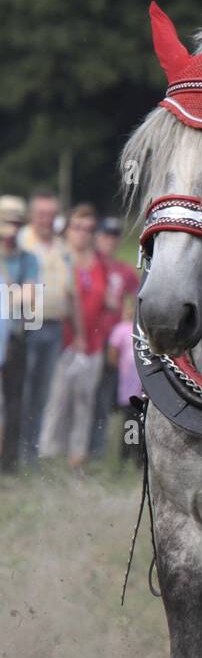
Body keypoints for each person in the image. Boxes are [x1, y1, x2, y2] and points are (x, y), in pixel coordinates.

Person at [39, 204, 108, 468]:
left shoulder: (100, 263)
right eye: (78, 228)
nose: (83, 234)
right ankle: (47, 453)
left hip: (93, 343)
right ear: (67, 230)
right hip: (64, 341)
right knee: (57, 400)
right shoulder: (59, 259)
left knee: (84, 401)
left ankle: (77, 455)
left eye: (89, 229)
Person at [18, 190, 79, 463]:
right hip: (27, 323)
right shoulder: (22, 243)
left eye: (51, 215)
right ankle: (14, 451)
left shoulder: (62, 247)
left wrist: (78, 331)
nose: (47, 219)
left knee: (42, 393)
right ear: (33, 215)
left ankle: (31, 452)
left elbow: (71, 292)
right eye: (42, 214)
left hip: (54, 324)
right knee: (22, 390)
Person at [89, 214, 138, 458]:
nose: (110, 241)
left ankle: (100, 448)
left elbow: (138, 297)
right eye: (106, 236)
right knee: (87, 396)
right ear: (97, 237)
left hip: (114, 342)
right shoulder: (88, 265)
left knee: (108, 398)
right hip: (88, 339)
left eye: (114, 237)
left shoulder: (124, 271)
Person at [0, 195, 38, 473]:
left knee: (14, 402)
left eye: (16, 223)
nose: (11, 230)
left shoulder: (28, 259)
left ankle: (9, 462)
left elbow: (28, 297)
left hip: (13, 340)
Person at [108, 295, 140, 465]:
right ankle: (126, 455)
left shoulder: (143, 330)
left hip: (142, 388)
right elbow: (112, 354)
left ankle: (138, 457)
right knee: (130, 421)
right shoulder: (121, 330)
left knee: (140, 421)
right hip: (128, 387)